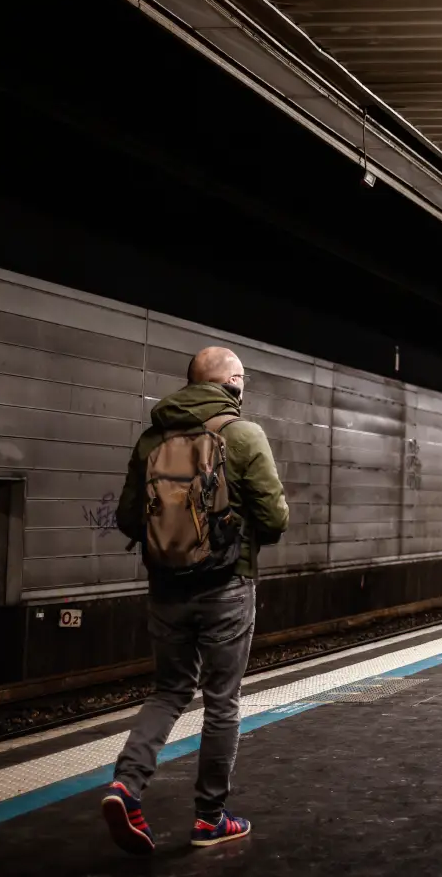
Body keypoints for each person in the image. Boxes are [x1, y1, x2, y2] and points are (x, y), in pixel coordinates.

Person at [101, 347, 289, 853]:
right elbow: (275, 520)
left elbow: (126, 518)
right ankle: (209, 818)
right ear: (232, 382)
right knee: (222, 701)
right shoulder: (243, 434)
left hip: (166, 586)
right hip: (227, 585)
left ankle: (126, 784)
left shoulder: (151, 439)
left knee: (168, 691)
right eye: (242, 378)